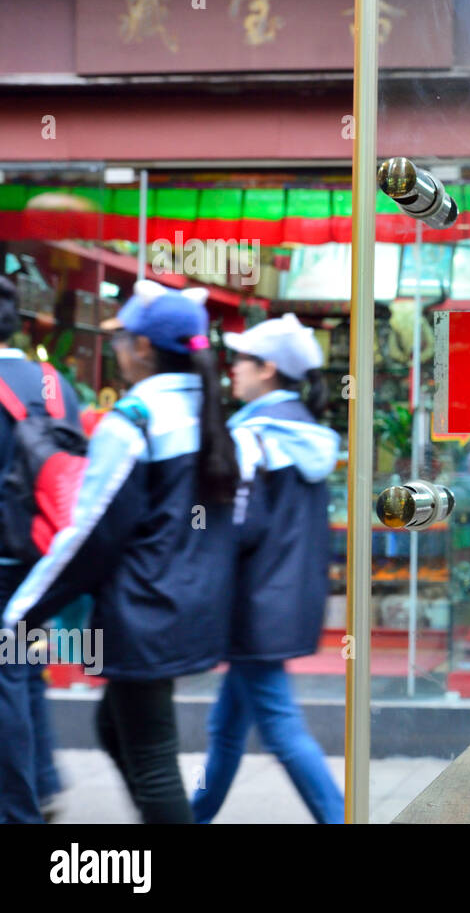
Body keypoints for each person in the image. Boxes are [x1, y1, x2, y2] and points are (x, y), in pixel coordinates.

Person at [3, 281, 240, 823]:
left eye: (123, 338)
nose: (115, 348)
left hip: (144, 613)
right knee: (117, 729)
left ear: (143, 349)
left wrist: (21, 612)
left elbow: (91, 534)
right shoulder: (208, 415)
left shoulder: (133, 422)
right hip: (185, 606)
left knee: (152, 760)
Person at [191, 314, 344, 824]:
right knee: (228, 726)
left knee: (279, 726)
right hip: (280, 598)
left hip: (253, 602)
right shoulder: (302, 432)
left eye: (242, 360)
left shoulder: (254, 438)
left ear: (269, 369)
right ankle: (195, 815)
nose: (232, 369)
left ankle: (338, 816)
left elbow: (237, 528)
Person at [0, 274, 81, 824]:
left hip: (3, 557)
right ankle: (44, 781)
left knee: (6, 675)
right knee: (23, 667)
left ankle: (16, 810)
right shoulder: (55, 383)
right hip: (45, 555)